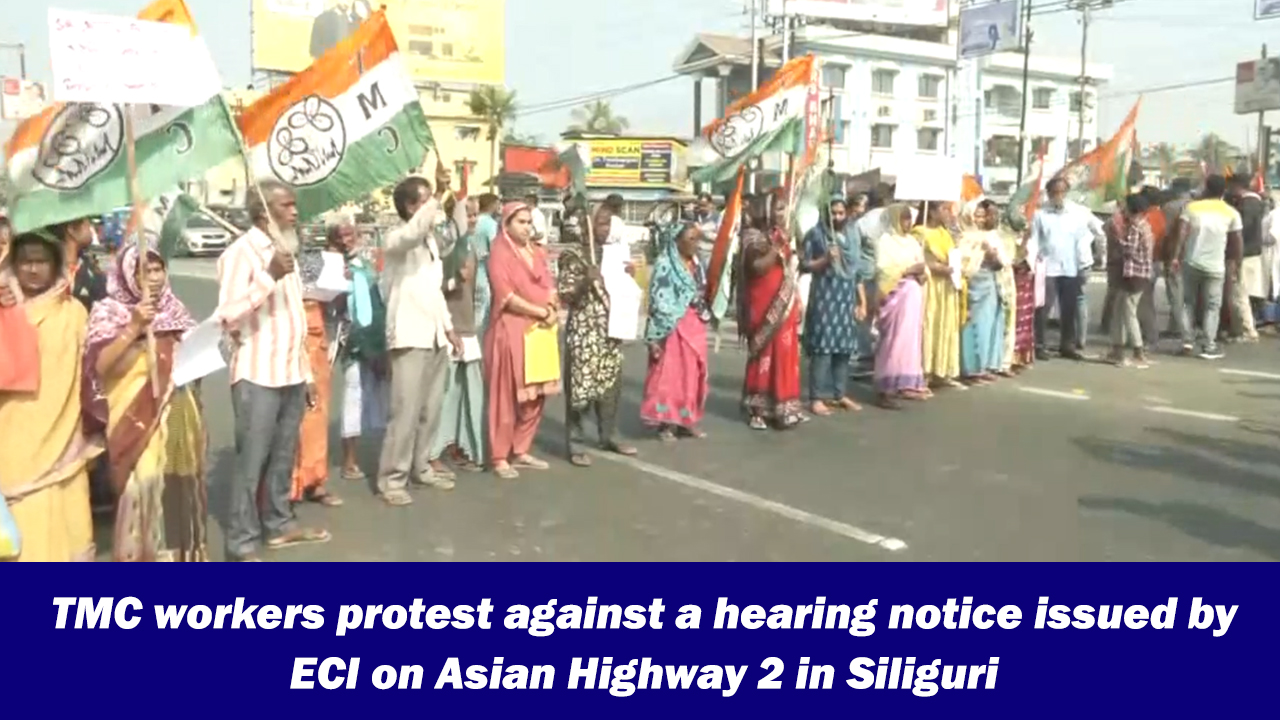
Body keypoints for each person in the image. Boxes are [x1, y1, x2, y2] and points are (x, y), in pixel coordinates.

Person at [216, 180, 329, 562]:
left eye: (295, 205)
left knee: (283, 456)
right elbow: (227, 315)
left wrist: (307, 374)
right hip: (256, 372)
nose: (295, 212)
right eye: (287, 205)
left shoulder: (287, 250)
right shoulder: (241, 254)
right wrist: (268, 277)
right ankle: (242, 542)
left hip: (290, 372)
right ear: (264, 212)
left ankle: (278, 524)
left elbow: (295, 316)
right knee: (252, 461)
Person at [85, 238, 209, 561]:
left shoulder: (174, 309)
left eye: (158, 269)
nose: (154, 277)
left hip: (178, 414)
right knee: (141, 490)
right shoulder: (109, 312)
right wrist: (135, 328)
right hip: (134, 420)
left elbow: (195, 356)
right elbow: (100, 366)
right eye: (144, 271)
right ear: (127, 276)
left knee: (177, 492)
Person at [0, 231, 97, 561]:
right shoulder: (3, 309)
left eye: (40, 260)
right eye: (25, 260)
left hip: (65, 444)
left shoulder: (74, 314)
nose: (32, 268)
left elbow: (92, 373)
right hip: (13, 446)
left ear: (55, 264)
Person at [376, 173, 465, 506]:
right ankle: (392, 479)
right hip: (408, 334)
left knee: (431, 409)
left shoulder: (429, 243)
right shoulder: (397, 238)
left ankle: (421, 465)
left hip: (434, 335)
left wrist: (449, 329)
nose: (432, 206)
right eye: (424, 200)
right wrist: (439, 194)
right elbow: (412, 232)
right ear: (410, 206)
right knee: (405, 411)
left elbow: (435, 292)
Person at [558, 206, 638, 468]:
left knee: (610, 386)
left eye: (607, 224)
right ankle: (576, 442)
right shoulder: (572, 256)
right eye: (598, 224)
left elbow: (620, 289)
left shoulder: (613, 255)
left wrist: (628, 278)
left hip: (610, 330)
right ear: (585, 227)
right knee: (580, 388)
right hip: (584, 331)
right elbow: (566, 296)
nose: (604, 229)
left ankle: (608, 435)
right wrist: (585, 281)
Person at [486, 201, 560, 479]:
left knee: (536, 395)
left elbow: (549, 284)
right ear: (506, 224)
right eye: (521, 222)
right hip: (511, 329)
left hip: (541, 330)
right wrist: (540, 311)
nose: (527, 227)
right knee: (506, 397)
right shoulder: (499, 253)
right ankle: (499, 456)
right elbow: (506, 295)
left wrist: (552, 308)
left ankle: (521, 448)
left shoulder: (537, 253)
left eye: (529, 222)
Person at [429, 197, 487, 474]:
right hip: (449, 328)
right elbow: (430, 287)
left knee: (470, 393)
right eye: (468, 216)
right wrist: (455, 281)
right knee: (446, 393)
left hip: (469, 327)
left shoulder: (472, 245)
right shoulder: (444, 248)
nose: (473, 221)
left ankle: (464, 446)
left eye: (475, 216)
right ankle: (433, 452)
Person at [740, 193, 804, 430]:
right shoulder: (752, 237)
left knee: (785, 353)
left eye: (784, 209)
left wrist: (796, 299)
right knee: (764, 353)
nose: (782, 213)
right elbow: (757, 268)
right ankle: (758, 409)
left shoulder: (782, 234)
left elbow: (788, 269)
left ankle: (784, 406)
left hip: (784, 302)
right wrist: (775, 247)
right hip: (764, 306)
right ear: (766, 210)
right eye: (778, 208)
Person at [641, 222, 711, 439]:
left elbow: (702, 292)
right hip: (671, 328)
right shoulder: (665, 264)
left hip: (694, 324)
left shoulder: (697, 264)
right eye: (690, 239)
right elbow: (658, 300)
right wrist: (658, 335)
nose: (694, 244)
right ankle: (666, 423)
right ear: (676, 241)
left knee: (692, 374)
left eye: (696, 239)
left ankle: (686, 419)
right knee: (671, 376)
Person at [331, 223, 389, 483]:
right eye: (340, 236)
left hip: (376, 335)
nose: (346, 241)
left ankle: (383, 458)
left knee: (380, 397)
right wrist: (338, 285)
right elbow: (328, 304)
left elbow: (379, 295)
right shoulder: (328, 264)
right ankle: (349, 460)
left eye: (350, 235)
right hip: (351, 339)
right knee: (353, 397)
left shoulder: (367, 263)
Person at [802, 198, 866, 415]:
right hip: (824, 298)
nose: (838, 217)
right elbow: (805, 264)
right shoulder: (816, 234)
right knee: (823, 348)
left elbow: (857, 273)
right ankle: (816, 397)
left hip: (846, 299)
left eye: (841, 213)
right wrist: (825, 260)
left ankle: (839, 393)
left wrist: (862, 302)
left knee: (844, 349)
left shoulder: (852, 235)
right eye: (834, 213)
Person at [1171, 174, 1242, 360]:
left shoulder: (1191, 208)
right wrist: (1237, 264)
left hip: (1191, 262)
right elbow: (1237, 242)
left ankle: (1187, 341)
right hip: (1216, 266)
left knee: (1188, 303)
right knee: (1212, 306)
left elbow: (1181, 233)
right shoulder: (1231, 212)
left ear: (1206, 188)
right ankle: (1209, 345)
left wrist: (1175, 257)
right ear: (1223, 191)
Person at [872, 204, 930, 409]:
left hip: (912, 298)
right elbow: (883, 270)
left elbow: (923, 269)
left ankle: (905, 383)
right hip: (895, 298)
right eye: (904, 218)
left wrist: (922, 273)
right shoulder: (886, 242)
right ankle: (885, 388)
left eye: (909, 218)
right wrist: (907, 270)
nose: (908, 222)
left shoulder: (914, 242)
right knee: (892, 341)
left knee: (909, 342)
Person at [1031, 178, 1094, 361]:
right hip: (1047, 268)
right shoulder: (1040, 215)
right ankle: (1039, 345)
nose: (1058, 196)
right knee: (1043, 309)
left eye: (1061, 192)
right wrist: (1033, 264)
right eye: (1054, 192)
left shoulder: (1075, 216)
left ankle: (1067, 345)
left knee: (1069, 309)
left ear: (1066, 193)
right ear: (1049, 194)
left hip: (1070, 268)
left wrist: (1084, 265)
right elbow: (1034, 241)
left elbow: (1082, 241)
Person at [914, 202, 963, 389]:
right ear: (932, 212)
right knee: (930, 324)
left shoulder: (945, 233)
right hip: (931, 284)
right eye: (943, 209)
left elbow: (953, 254)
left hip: (947, 284)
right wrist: (936, 267)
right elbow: (919, 258)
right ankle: (924, 372)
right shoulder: (919, 232)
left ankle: (941, 370)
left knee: (946, 325)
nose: (947, 213)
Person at [957, 200, 1007, 385]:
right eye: (976, 216)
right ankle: (970, 369)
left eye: (982, 216)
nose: (979, 220)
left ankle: (984, 365)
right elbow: (962, 264)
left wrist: (991, 255)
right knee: (971, 327)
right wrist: (980, 254)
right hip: (970, 286)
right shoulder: (963, 237)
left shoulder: (989, 236)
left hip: (989, 284)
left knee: (988, 326)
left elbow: (1000, 263)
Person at [1104, 193, 1155, 368]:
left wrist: (1118, 240)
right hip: (1137, 275)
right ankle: (1117, 349)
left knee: (1128, 313)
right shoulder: (1145, 225)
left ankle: (1138, 351)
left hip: (1134, 275)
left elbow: (1130, 250)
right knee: (1119, 310)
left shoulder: (1135, 228)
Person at [1226, 175, 1264, 343]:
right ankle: (1240, 329)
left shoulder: (1247, 204)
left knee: (1239, 293)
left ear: (1237, 186)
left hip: (1244, 254)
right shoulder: (1256, 202)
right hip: (1251, 252)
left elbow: (1241, 230)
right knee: (1241, 293)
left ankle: (1247, 330)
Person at [1160, 179, 1195, 340]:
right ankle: (1176, 326)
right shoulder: (1198, 206)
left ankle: (1181, 330)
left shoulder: (1169, 207)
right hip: (1195, 255)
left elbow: (1165, 233)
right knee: (1188, 296)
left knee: (1175, 293)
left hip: (1174, 254)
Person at [1008, 213, 1037, 371]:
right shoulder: (1009, 240)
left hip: (1028, 285)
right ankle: (1012, 357)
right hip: (1015, 286)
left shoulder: (1032, 242)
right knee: (1015, 320)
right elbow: (1015, 260)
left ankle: (1022, 356)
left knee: (1026, 323)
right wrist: (1024, 241)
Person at [473, 193, 501, 335]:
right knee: (482, 318)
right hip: (483, 275)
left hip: (469, 274)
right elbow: (495, 251)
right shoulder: (490, 224)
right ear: (492, 205)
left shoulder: (472, 221)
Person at [693, 192, 721, 267]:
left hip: (710, 254)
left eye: (704, 205)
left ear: (710, 204)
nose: (702, 208)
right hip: (697, 254)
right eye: (700, 205)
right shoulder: (696, 216)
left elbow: (720, 238)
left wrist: (702, 232)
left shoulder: (717, 217)